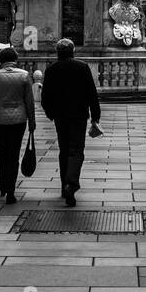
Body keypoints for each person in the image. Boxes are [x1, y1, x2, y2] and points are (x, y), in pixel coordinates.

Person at [40, 37, 100, 206]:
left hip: (60, 116)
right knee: (76, 150)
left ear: (57, 52)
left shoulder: (51, 69)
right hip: (79, 116)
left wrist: (50, 113)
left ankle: (63, 186)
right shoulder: (82, 67)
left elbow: (45, 97)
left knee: (64, 150)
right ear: (73, 51)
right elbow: (91, 93)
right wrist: (95, 116)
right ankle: (71, 184)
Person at [0, 46, 36, 203]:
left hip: (1, 119)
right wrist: (32, 122)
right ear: (15, 59)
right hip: (19, 120)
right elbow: (30, 103)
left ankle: (2, 184)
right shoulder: (25, 76)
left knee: (3, 152)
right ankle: (11, 190)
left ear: (1, 60)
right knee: (14, 153)